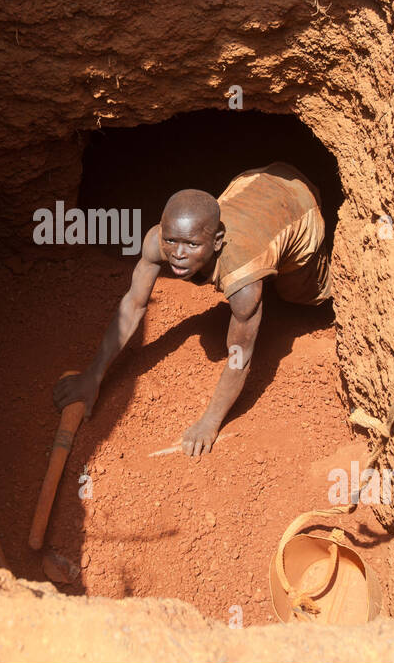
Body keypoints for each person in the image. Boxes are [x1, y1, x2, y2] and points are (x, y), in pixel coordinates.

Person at [53, 162, 332, 456]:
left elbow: (240, 357)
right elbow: (133, 303)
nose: (178, 254)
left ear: (217, 241)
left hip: (298, 207)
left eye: (191, 244)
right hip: (254, 180)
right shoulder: (157, 242)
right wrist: (93, 375)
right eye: (171, 240)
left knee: (301, 296)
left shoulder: (243, 283)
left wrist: (209, 422)